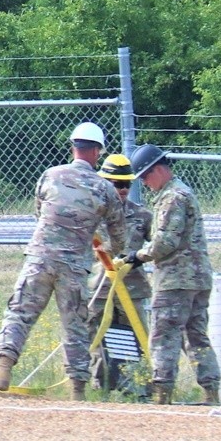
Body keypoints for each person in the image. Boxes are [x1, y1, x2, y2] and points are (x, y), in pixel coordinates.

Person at [0, 121, 129, 400]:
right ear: (97, 152)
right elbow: (119, 237)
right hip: (74, 265)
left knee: (20, 313)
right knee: (74, 326)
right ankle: (77, 391)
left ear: (73, 147)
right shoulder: (105, 188)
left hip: (40, 257)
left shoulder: (50, 175)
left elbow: (40, 213)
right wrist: (100, 248)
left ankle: (2, 370)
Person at [120, 145, 219, 405]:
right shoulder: (181, 192)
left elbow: (165, 241)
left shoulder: (172, 196)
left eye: (145, 176)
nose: (143, 182)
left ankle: (161, 393)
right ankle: (211, 391)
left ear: (159, 169)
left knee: (164, 335)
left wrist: (137, 256)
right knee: (196, 336)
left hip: (176, 279)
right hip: (197, 278)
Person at [85, 153, 151, 393]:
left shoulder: (142, 215)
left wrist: (139, 258)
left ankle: (136, 389)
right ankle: (99, 387)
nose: (123, 189)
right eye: (117, 184)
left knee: (134, 338)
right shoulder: (91, 212)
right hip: (99, 289)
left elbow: (157, 246)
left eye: (127, 184)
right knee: (96, 339)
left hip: (132, 290)